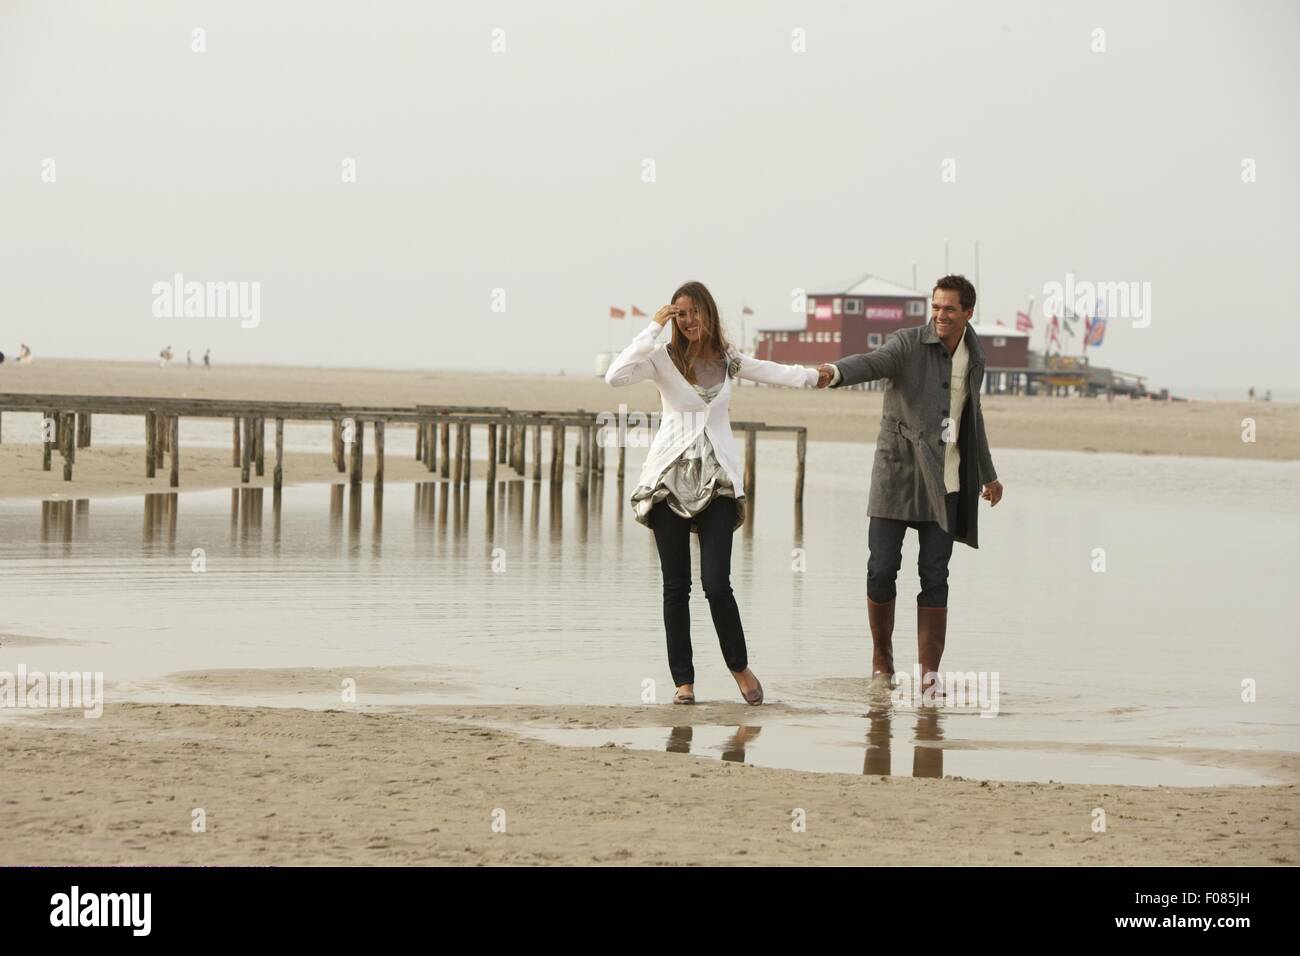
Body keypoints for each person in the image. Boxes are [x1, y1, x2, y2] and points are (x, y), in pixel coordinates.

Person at [605, 280, 819, 706]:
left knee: (716, 583)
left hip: (718, 480)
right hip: (668, 482)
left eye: (693, 312)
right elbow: (616, 376)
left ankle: (739, 667)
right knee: (675, 587)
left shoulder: (728, 360)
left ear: (709, 312)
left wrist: (817, 376)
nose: (686, 322)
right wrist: (651, 328)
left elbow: (772, 371)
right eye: (679, 315)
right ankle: (683, 682)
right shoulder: (661, 359)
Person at [817, 275, 1004, 704]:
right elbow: (872, 362)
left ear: (968, 313)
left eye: (949, 309)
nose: (940, 315)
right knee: (881, 568)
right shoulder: (906, 344)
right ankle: (882, 660)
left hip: (947, 481)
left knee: (934, 576)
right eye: (935, 307)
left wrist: (989, 474)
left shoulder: (975, 357)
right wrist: (835, 371)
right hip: (896, 476)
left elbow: (972, 418)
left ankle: (928, 676)